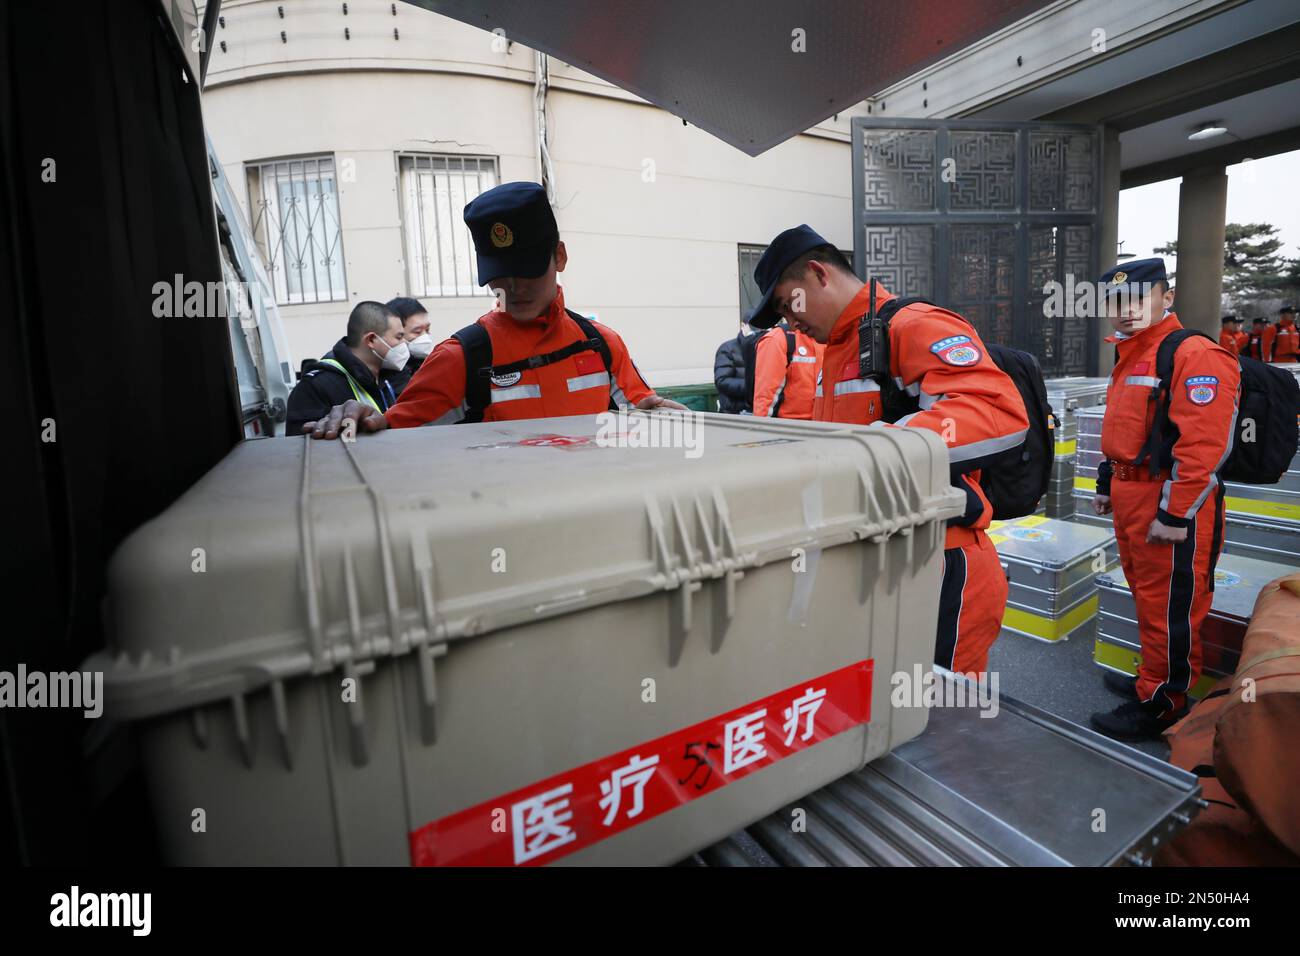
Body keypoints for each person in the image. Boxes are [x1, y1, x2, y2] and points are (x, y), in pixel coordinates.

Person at [748, 225, 1028, 675]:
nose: (790, 322)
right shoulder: (838, 349)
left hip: (938, 560)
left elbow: (997, 411)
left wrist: (878, 447)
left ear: (819, 273)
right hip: (878, 559)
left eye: (788, 304)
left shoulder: (911, 325)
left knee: (942, 722)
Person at [301, 182, 683, 438]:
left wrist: (660, 420)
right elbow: (394, 436)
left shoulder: (602, 344)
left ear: (560, 257)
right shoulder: (460, 358)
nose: (513, 287)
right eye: (500, 274)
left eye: (527, 271)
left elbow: (641, 414)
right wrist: (366, 420)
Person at [1089, 258, 1240, 741]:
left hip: (1170, 503)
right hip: (1132, 493)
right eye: (1114, 302)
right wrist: (1105, 483)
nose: (1125, 311)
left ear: (1166, 297)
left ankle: (1164, 702)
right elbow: (1129, 429)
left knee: (1172, 604)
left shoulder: (1192, 353)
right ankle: (1152, 679)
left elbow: (1204, 446)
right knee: (1147, 596)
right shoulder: (1132, 353)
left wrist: (1175, 514)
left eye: (1137, 298)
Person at [285, 300, 407, 437]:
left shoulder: (389, 378)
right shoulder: (313, 388)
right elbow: (303, 449)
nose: (405, 344)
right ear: (371, 340)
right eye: (399, 337)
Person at [752, 320, 823, 419]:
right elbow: (765, 400)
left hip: (823, 427)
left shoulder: (825, 338)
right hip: (788, 427)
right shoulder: (777, 339)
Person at [386, 296, 432, 395]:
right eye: (417, 331)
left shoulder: (428, 366)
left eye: (427, 330)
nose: (425, 337)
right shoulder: (391, 376)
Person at [714, 325, 756, 413]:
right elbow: (722, 381)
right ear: (743, 326)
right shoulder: (728, 348)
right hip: (734, 411)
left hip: (758, 408)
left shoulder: (766, 345)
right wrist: (752, 387)